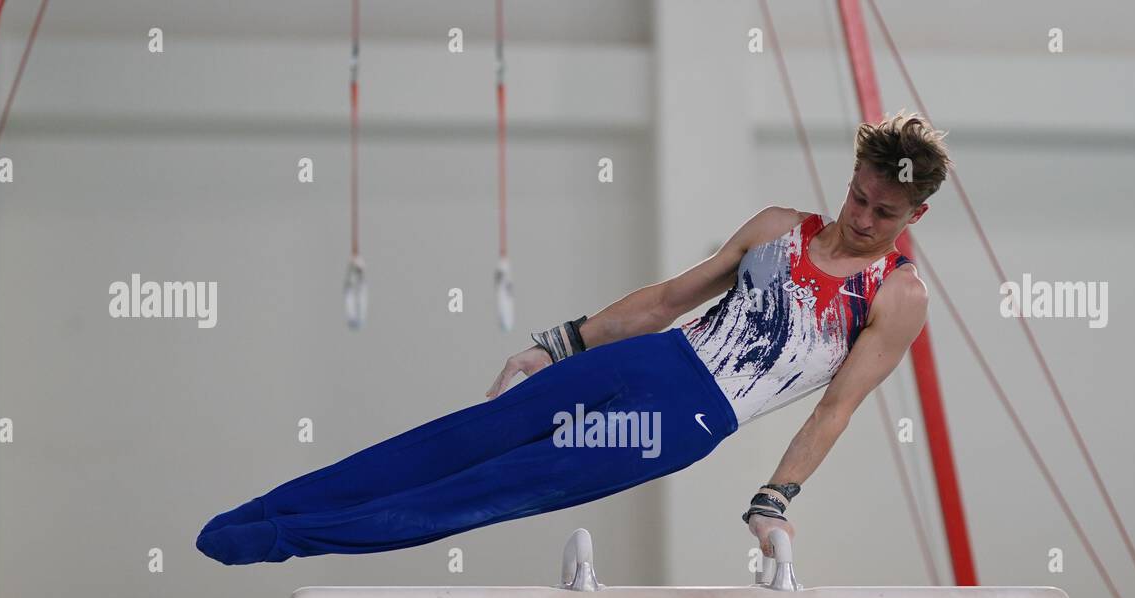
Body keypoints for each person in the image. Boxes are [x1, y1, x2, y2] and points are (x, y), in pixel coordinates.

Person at [196, 112, 949, 565]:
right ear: (850, 175)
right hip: (651, 357)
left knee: (492, 489)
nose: (861, 218)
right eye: (859, 196)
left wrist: (775, 497)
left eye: (884, 213)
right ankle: (265, 510)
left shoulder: (896, 295)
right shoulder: (780, 227)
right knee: (459, 439)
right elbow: (664, 300)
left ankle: (288, 539)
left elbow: (835, 410)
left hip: (680, 420)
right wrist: (557, 345)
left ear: (912, 218)